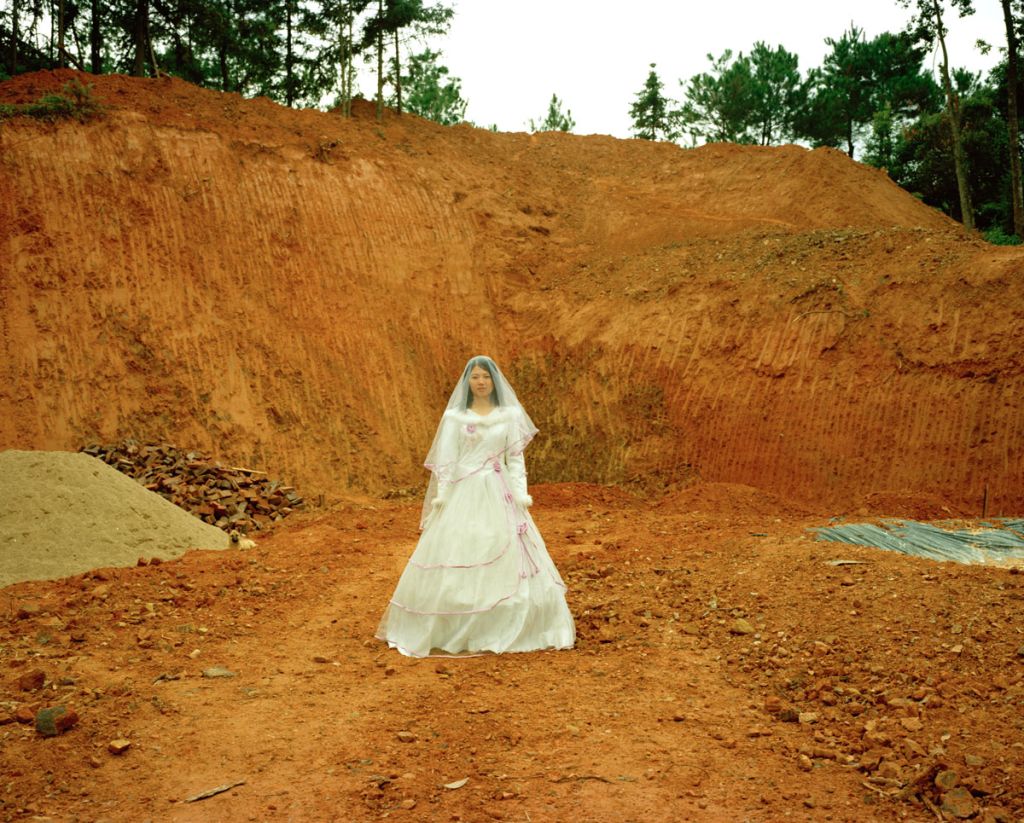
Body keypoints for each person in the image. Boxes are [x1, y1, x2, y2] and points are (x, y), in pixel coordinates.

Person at [375, 355, 575, 658]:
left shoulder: (508, 415)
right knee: (460, 548)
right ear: (467, 382)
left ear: (494, 381)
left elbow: (516, 460)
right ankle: (456, 616)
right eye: (475, 377)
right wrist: (442, 499)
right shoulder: (455, 418)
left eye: (485, 377)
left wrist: (522, 495)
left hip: (500, 491)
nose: (481, 382)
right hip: (463, 492)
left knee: (504, 548)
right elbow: (446, 463)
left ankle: (509, 618)